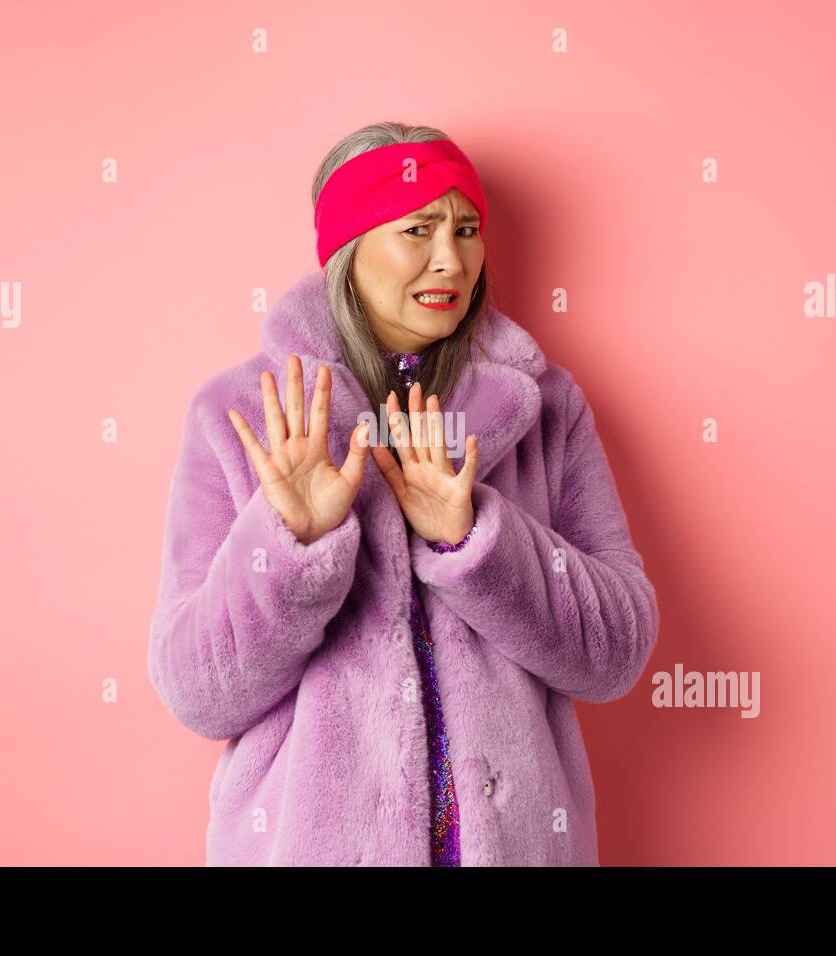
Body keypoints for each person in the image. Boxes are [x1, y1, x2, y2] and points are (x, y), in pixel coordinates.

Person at [147, 121, 660, 866]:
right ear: (349, 249)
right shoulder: (244, 413)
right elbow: (198, 693)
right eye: (417, 229)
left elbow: (616, 651)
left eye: (467, 230)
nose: (451, 259)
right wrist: (291, 547)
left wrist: (476, 540)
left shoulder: (546, 407)